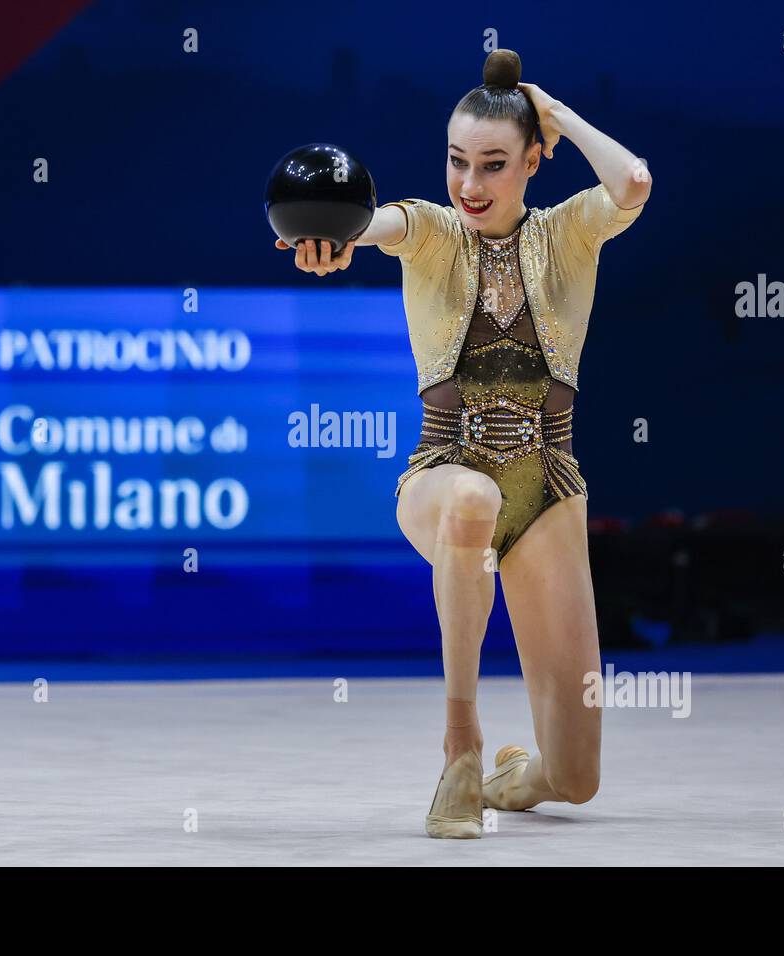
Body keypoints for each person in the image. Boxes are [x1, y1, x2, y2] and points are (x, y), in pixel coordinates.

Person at [275, 49, 651, 838]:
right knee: (474, 497)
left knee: (576, 781)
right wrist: (335, 233)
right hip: (444, 475)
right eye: (456, 161)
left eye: (492, 164)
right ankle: (461, 746)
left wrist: (558, 113)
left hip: (549, 489)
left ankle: (508, 780)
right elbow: (381, 225)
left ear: (533, 162)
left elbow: (633, 184)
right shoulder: (435, 231)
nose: (469, 185)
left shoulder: (569, 235)